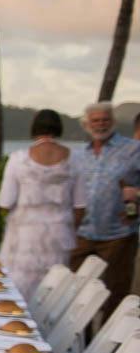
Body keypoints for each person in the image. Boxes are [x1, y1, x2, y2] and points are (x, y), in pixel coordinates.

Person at [0, 109, 86, 296]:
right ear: (58, 128)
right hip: (59, 235)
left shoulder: (18, 159)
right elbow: (80, 205)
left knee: (18, 289)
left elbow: (5, 202)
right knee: (51, 293)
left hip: (24, 236)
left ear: (34, 128)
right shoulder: (76, 159)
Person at [70, 101, 140, 312]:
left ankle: (113, 343)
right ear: (86, 124)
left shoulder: (133, 149)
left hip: (118, 234)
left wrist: (137, 194)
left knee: (114, 294)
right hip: (82, 233)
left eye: (105, 120)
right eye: (95, 121)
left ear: (113, 122)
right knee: (76, 293)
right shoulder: (79, 154)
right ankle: (80, 341)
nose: (101, 125)